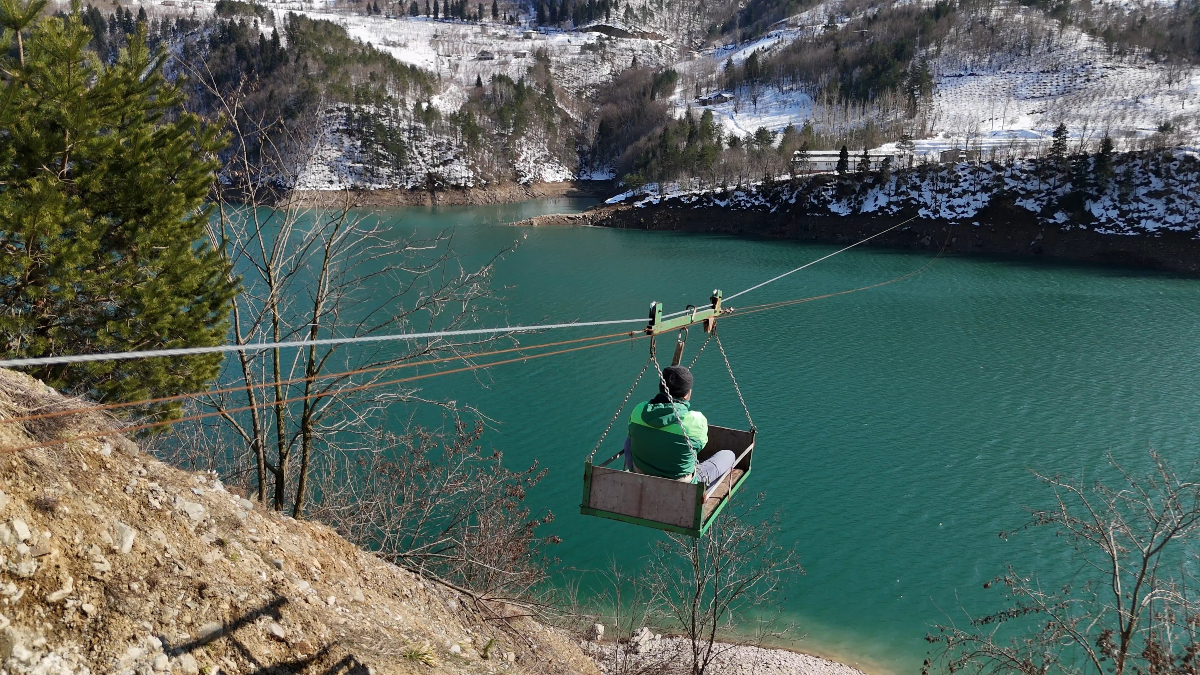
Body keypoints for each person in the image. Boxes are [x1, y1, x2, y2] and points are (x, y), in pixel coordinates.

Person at [621, 365, 737, 486]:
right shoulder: (695, 420)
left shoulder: (639, 410)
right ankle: (702, 493)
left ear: (661, 387)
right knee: (729, 455)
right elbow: (700, 446)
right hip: (682, 486)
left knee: (629, 440)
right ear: (687, 394)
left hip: (642, 473)